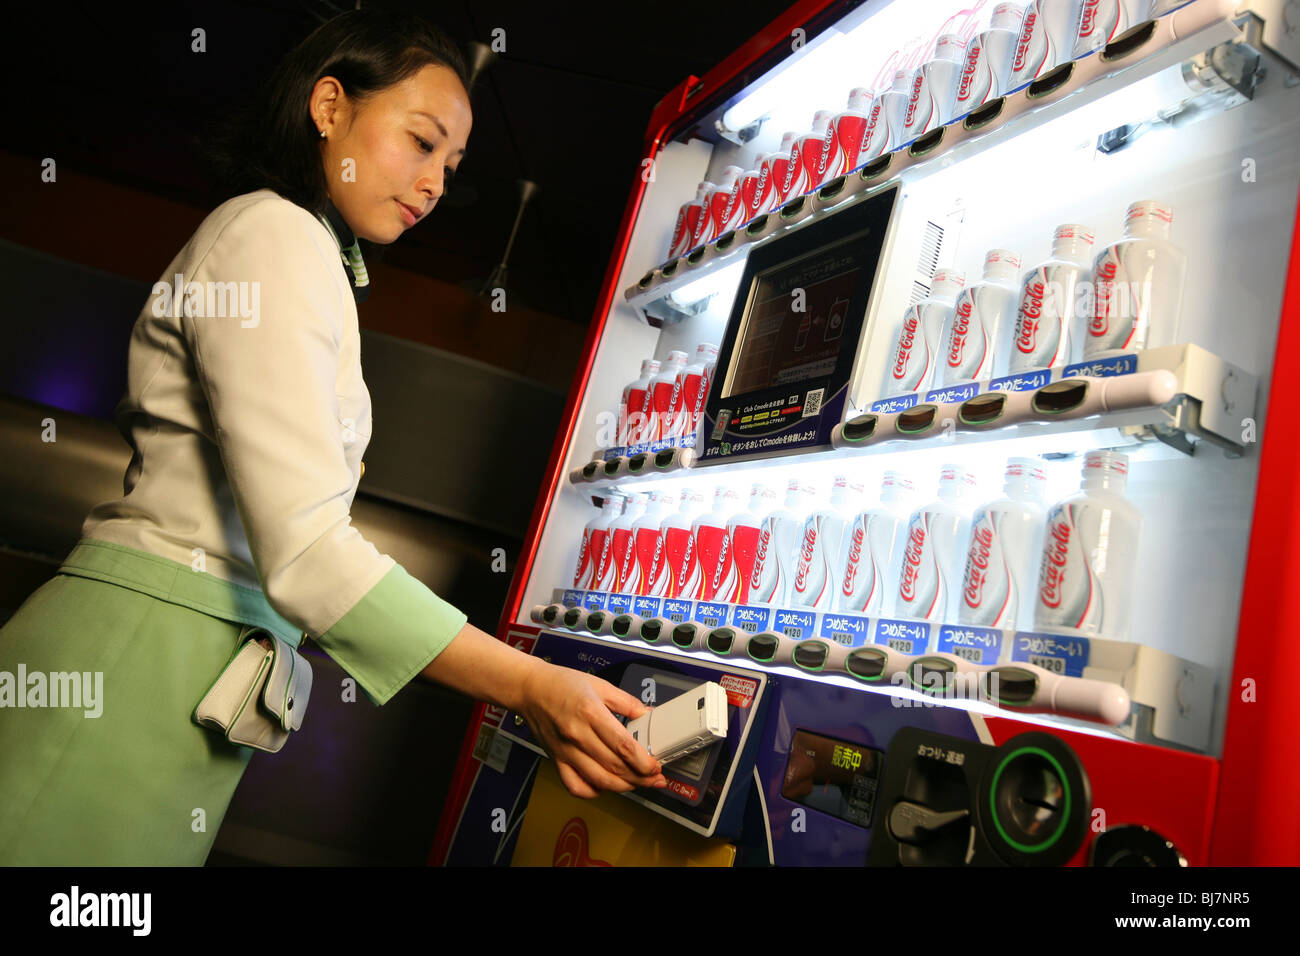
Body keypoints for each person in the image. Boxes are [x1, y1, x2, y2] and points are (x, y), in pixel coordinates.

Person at [0, 8, 664, 866]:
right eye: (421, 142)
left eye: (452, 166)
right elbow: (308, 553)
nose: (434, 184)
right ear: (329, 107)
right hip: (133, 660)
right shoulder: (270, 232)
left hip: (177, 662)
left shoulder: (302, 250)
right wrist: (529, 683)